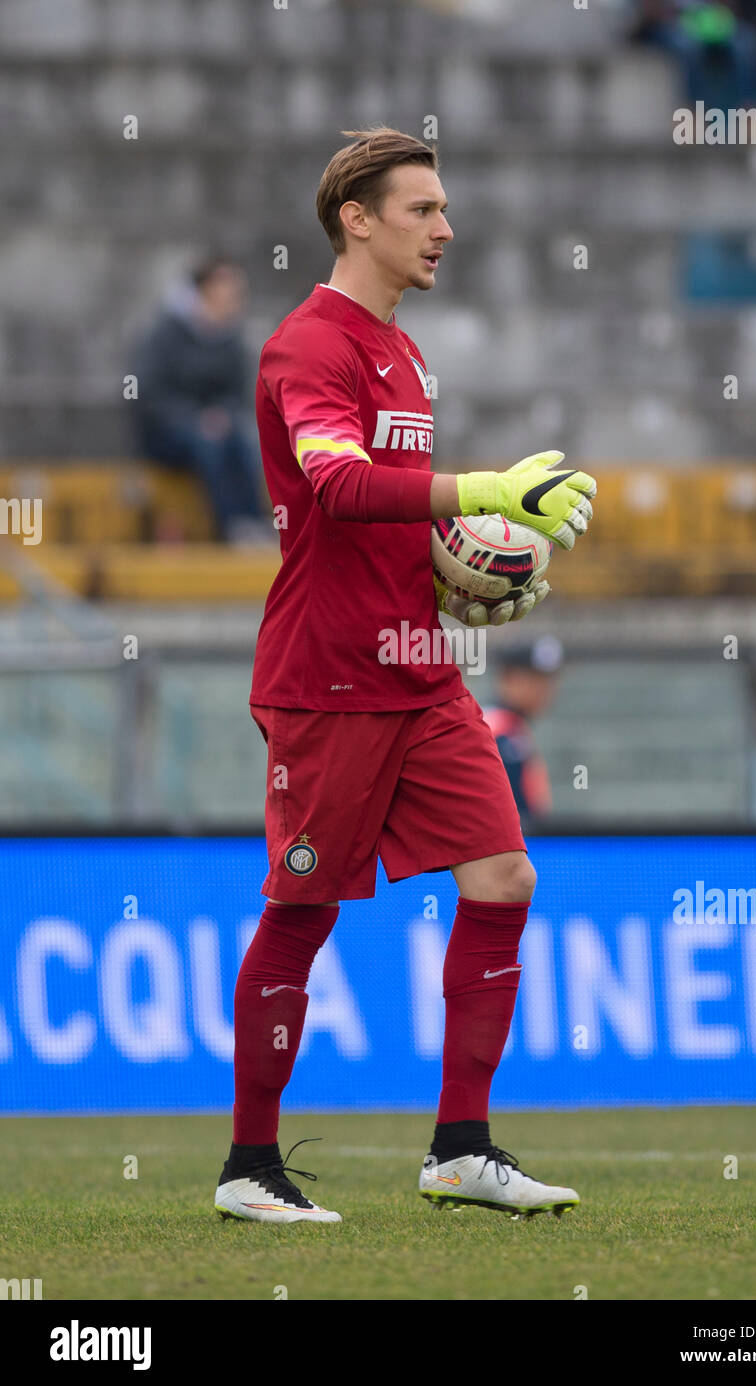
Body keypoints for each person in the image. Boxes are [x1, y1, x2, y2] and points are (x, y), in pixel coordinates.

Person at [213, 127, 596, 1227]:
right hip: (327, 677)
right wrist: (482, 491)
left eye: (443, 208)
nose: (445, 228)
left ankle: (461, 1148)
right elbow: (336, 487)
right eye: (423, 209)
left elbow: (393, 517)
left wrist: (467, 581)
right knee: (304, 908)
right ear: (357, 219)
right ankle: (249, 1164)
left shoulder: (405, 353)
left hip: (421, 670)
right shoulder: (306, 346)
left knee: (505, 879)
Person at [132, 256, 270, 544]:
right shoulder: (166, 334)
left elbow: (236, 392)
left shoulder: (230, 339)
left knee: (243, 438)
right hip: (167, 434)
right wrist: (195, 419)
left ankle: (254, 520)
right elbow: (150, 395)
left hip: (217, 427)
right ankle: (231, 525)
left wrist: (222, 415)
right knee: (209, 442)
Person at [483, 635, 565, 822]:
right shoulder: (496, 734)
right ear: (506, 679)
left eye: (548, 680)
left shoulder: (514, 730)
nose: (543, 689)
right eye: (532, 679)